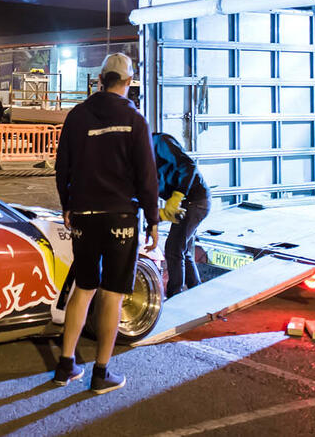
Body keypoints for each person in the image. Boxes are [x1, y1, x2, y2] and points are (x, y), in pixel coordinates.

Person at [52, 52, 159, 394]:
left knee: (83, 288)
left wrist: (67, 205)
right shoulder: (134, 119)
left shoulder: (78, 116)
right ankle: (101, 373)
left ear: (100, 80)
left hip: (83, 214)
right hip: (120, 217)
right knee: (112, 294)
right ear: (128, 82)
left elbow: (62, 166)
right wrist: (153, 220)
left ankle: (65, 365)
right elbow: (146, 176)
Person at [154, 132, 211, 297]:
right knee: (182, 249)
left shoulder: (159, 142)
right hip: (190, 203)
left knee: (173, 249)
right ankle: (195, 290)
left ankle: (175, 296)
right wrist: (156, 216)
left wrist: (177, 196)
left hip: (195, 201)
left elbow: (189, 166)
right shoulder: (137, 162)